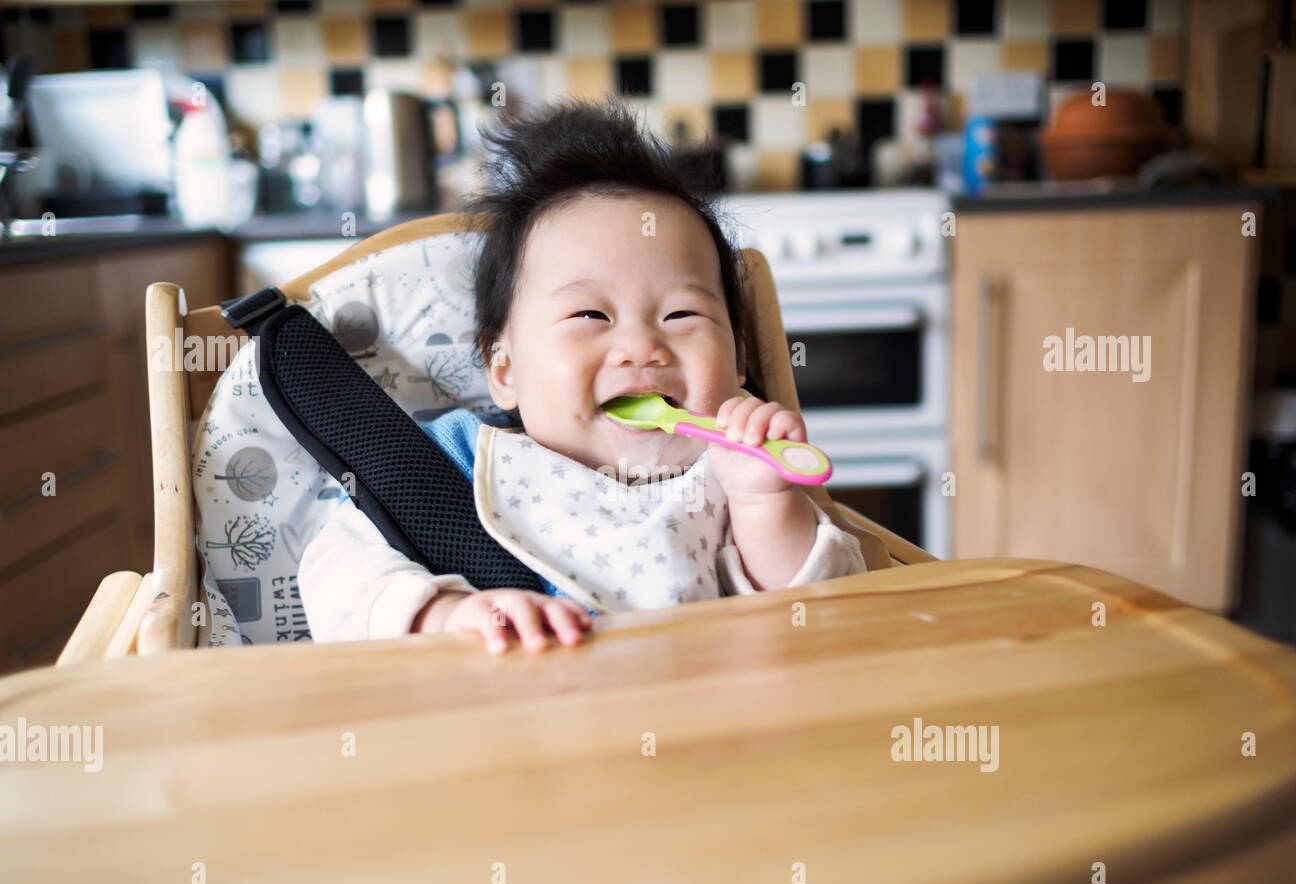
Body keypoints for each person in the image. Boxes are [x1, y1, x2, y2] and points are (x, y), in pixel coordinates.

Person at [299, 96, 873, 654]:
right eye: (590, 315)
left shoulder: (736, 474)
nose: (641, 347)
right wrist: (444, 615)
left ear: (739, 358)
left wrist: (766, 507)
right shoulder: (454, 467)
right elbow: (335, 571)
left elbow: (825, 614)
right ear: (505, 371)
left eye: (682, 315)